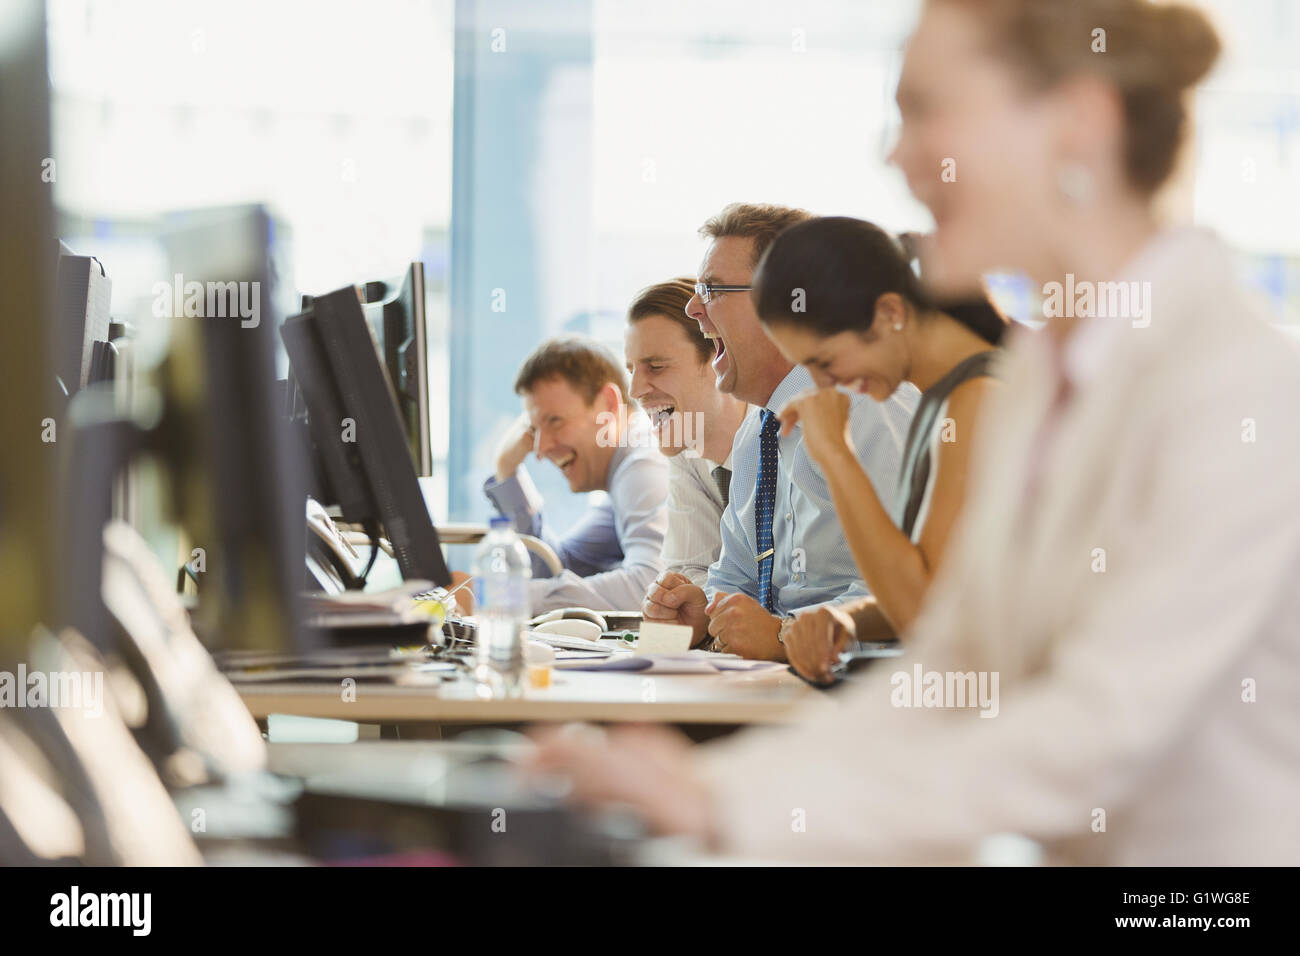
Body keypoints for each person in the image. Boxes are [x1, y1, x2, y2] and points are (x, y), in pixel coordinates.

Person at [531, 0, 1300, 865]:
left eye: (925, 111)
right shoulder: (1048, 378)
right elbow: (952, 677)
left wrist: (729, 807)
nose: (894, 153)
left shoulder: (1240, 390)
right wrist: (710, 794)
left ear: (1079, 121)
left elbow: (1097, 728)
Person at [641, 203, 918, 659]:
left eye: (711, 289)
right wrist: (708, 614)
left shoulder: (874, 408)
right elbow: (736, 577)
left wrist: (784, 636)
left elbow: (912, 596)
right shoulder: (759, 428)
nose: (692, 308)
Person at [752, 217, 1007, 682]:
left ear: (890, 313)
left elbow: (923, 613)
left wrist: (836, 456)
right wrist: (850, 618)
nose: (825, 384)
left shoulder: (977, 399)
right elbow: (940, 587)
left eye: (824, 362)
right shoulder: (944, 401)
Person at [479, 336, 668, 613]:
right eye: (533, 431)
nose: (540, 449)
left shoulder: (643, 464)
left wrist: (499, 597)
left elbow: (650, 587)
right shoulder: (622, 471)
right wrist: (507, 469)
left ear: (607, 404)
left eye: (554, 420)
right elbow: (558, 567)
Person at [624, 278, 750, 588]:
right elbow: (686, 571)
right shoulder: (688, 457)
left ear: (718, 358)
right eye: (631, 370)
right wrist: (675, 600)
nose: (635, 391)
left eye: (656, 366)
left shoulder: (782, 448)